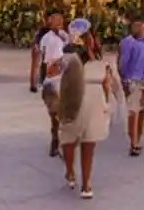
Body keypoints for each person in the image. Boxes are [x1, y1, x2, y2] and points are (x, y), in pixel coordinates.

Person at [56, 20, 114, 199]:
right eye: (85, 37)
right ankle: (69, 170)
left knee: (89, 143)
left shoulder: (100, 60)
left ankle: (86, 183)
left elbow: (107, 83)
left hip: (94, 102)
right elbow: (53, 72)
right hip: (73, 98)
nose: (89, 41)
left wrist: (107, 103)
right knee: (68, 141)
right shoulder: (68, 56)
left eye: (89, 37)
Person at [118, 17, 144, 156]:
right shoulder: (127, 42)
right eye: (134, 25)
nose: (136, 28)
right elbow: (122, 62)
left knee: (142, 109)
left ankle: (138, 137)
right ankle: (133, 143)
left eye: (139, 25)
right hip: (132, 80)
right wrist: (123, 80)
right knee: (133, 111)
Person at [31, 9, 69, 157]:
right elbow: (40, 59)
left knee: (64, 114)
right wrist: (35, 80)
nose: (58, 21)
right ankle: (55, 140)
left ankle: (63, 141)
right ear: (49, 21)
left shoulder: (66, 36)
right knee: (54, 114)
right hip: (51, 80)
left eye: (61, 18)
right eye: (55, 19)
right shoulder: (45, 38)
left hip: (64, 78)